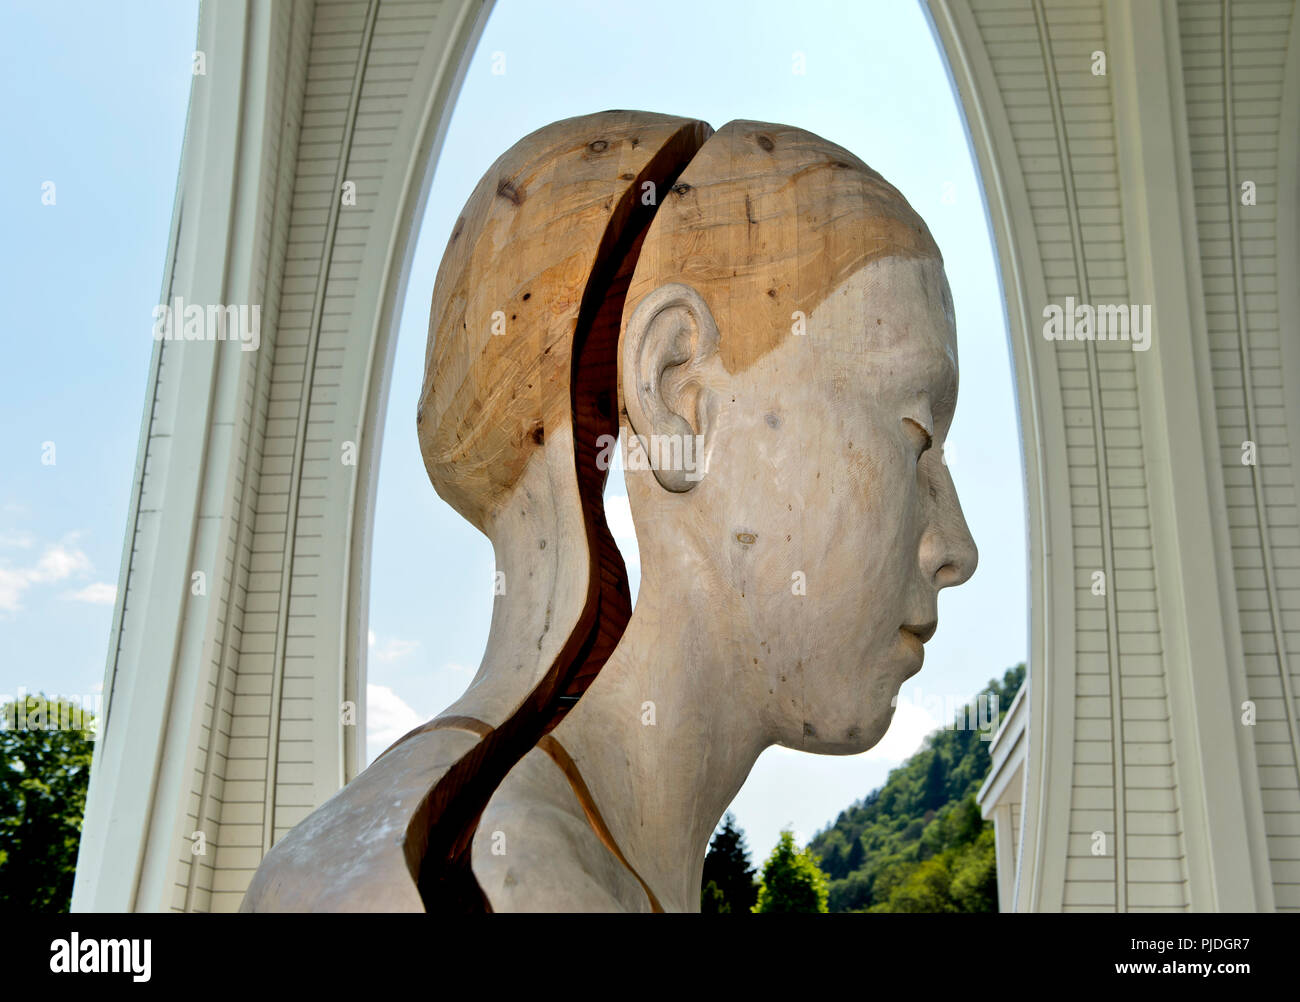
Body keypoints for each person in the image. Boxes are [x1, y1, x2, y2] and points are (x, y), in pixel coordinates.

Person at [468, 119, 979, 912]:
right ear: (677, 394)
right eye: (914, 432)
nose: (958, 549)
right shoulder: (465, 884)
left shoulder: (577, 871)